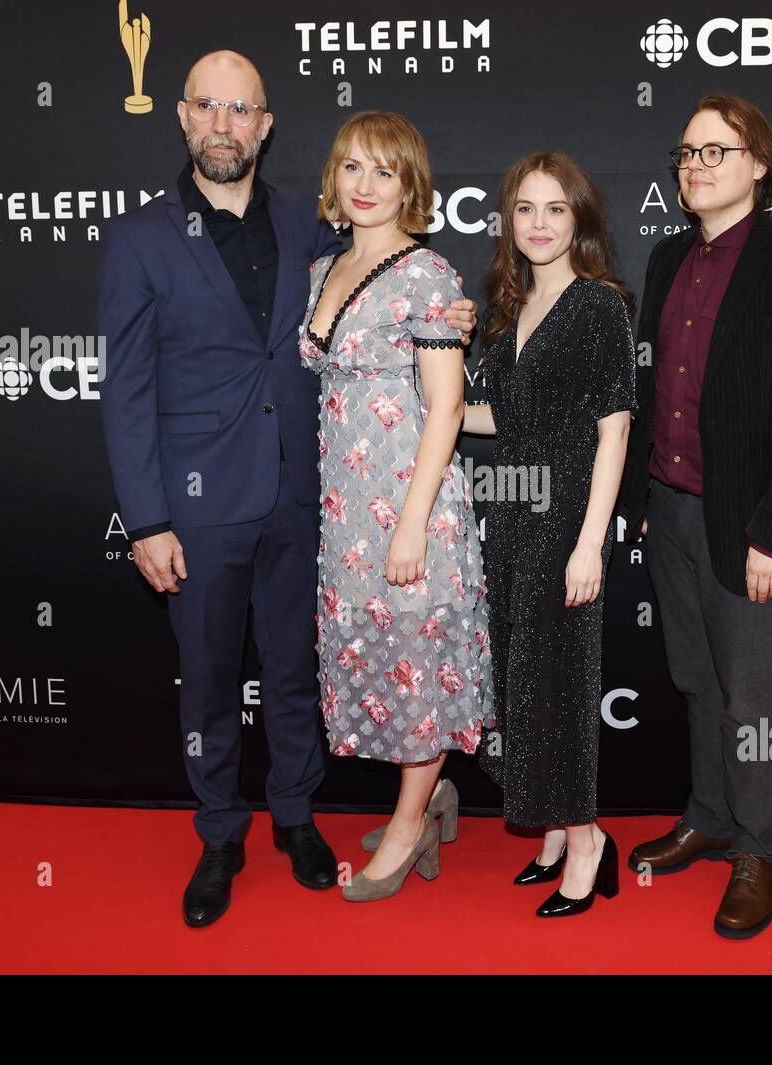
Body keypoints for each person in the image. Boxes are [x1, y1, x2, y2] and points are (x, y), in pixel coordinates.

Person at [97, 54, 478, 928]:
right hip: (198, 507)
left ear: (266, 125)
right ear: (184, 117)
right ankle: (221, 833)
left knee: (298, 670)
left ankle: (297, 816)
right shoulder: (139, 238)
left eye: (243, 108)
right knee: (210, 679)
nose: (225, 124)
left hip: (315, 499)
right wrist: (147, 518)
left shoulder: (312, 228)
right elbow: (124, 393)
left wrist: (452, 318)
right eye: (209, 107)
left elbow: (394, 288)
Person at [620, 93, 772, 938]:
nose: (697, 166)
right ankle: (710, 816)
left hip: (750, 524)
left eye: (716, 151)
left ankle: (759, 850)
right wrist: (642, 500)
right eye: (687, 153)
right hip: (672, 513)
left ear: (761, 165)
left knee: (752, 697)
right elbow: (656, 391)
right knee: (695, 681)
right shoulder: (664, 259)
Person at [298, 111, 492, 902]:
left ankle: (409, 828)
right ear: (334, 179)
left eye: (385, 171)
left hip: (413, 506)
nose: (367, 185)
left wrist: (411, 524)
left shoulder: (430, 278)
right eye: (353, 167)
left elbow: (445, 408)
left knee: (421, 673)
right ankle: (430, 795)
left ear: (410, 185)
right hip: (346, 512)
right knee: (377, 662)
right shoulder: (320, 271)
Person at [464, 153, 637, 917]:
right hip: (509, 517)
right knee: (523, 681)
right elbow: (499, 419)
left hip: (566, 515)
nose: (538, 223)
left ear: (580, 220)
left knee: (558, 685)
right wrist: (416, 399)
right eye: (525, 209)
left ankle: (588, 837)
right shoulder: (513, 308)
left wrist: (590, 540)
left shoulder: (598, 305)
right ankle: (558, 835)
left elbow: (614, 429)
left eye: (555, 209)